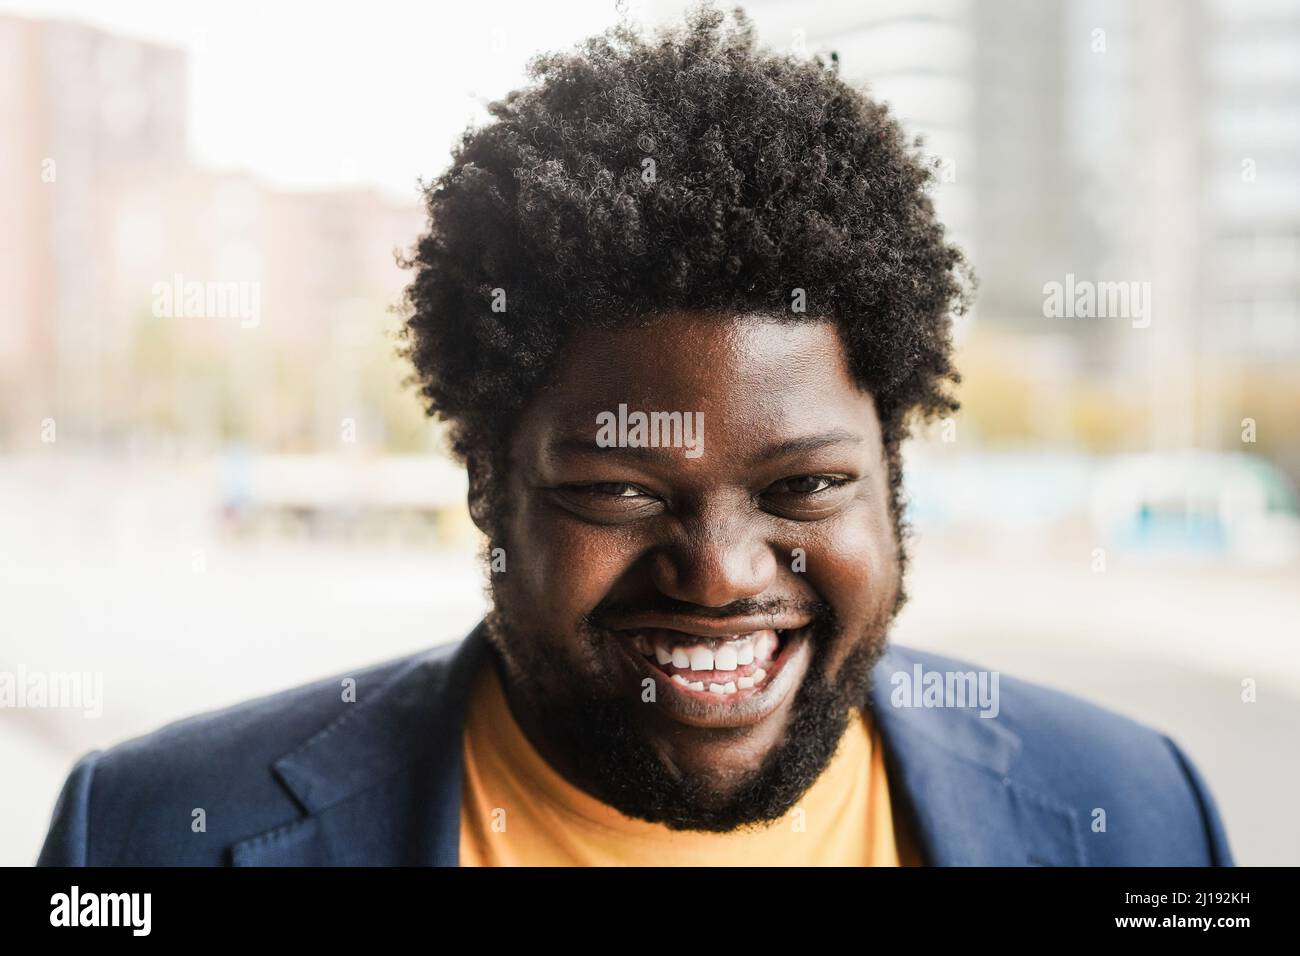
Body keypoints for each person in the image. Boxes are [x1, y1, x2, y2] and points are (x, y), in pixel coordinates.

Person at [38, 3, 1231, 867]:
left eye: (806, 484)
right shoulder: (144, 836)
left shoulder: (1137, 812)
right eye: (619, 491)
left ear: (891, 476)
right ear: (486, 483)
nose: (719, 573)